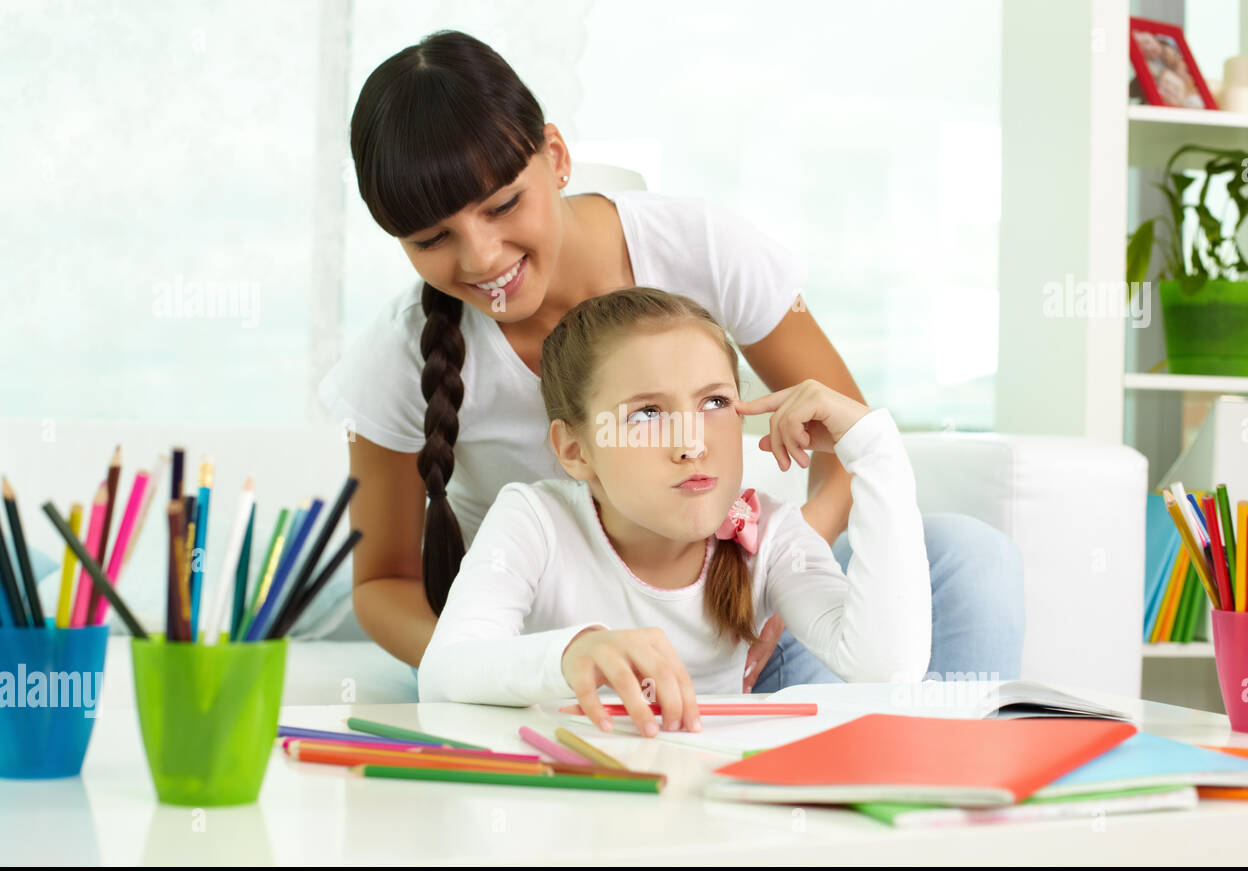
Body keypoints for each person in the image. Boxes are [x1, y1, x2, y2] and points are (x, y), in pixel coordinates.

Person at [319, 29, 1024, 690]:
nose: (482, 257)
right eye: (432, 238)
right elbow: (383, 584)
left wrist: (766, 568)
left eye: (503, 205)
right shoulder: (406, 364)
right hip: (578, 654)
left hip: (730, 617)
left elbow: (837, 425)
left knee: (969, 562)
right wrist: (510, 664)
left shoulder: (702, 246)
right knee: (831, 726)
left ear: (557, 158)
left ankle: (944, 781)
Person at [419, 287, 932, 737]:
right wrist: (574, 651)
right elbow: (443, 674)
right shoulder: (533, 520)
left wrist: (874, 448)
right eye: (647, 413)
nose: (691, 444)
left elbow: (886, 671)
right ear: (574, 449)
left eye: (713, 403)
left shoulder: (771, 532)